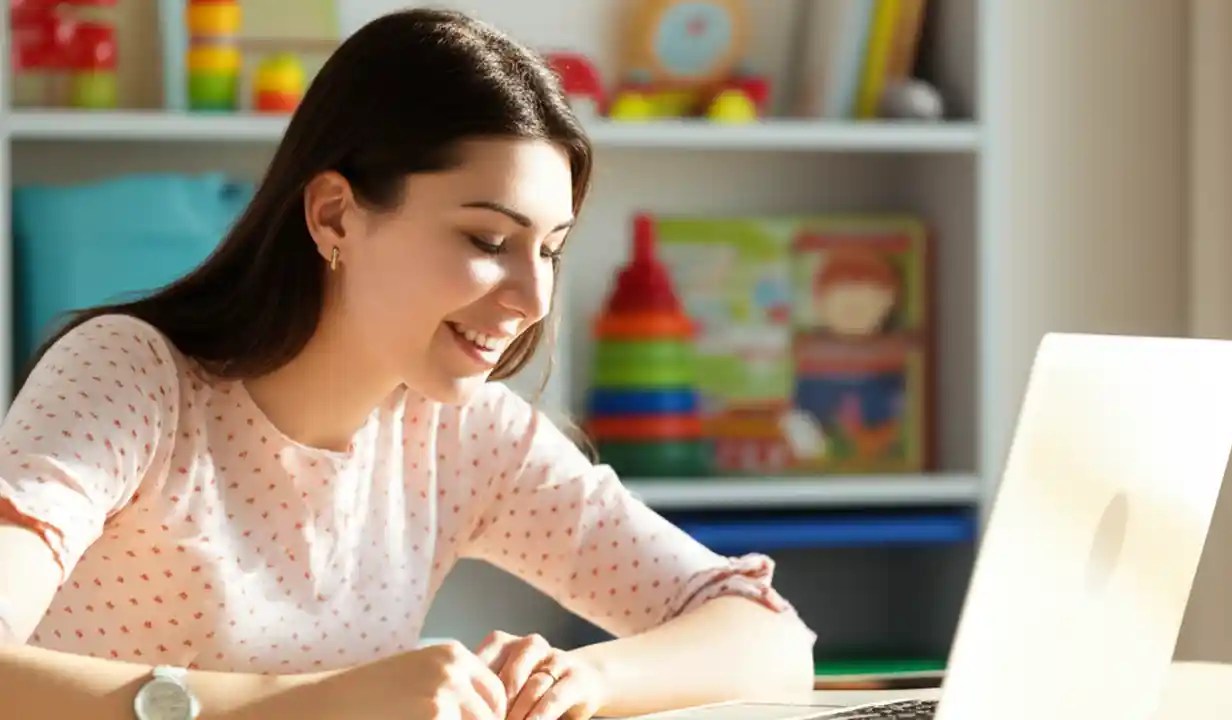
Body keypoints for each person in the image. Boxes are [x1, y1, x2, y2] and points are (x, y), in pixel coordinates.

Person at [0, 8, 816, 720]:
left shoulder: (464, 433)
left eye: (551, 250)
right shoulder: (132, 378)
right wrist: (304, 705)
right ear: (334, 217)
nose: (534, 297)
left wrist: (577, 677)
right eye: (488, 241)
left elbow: (770, 636)